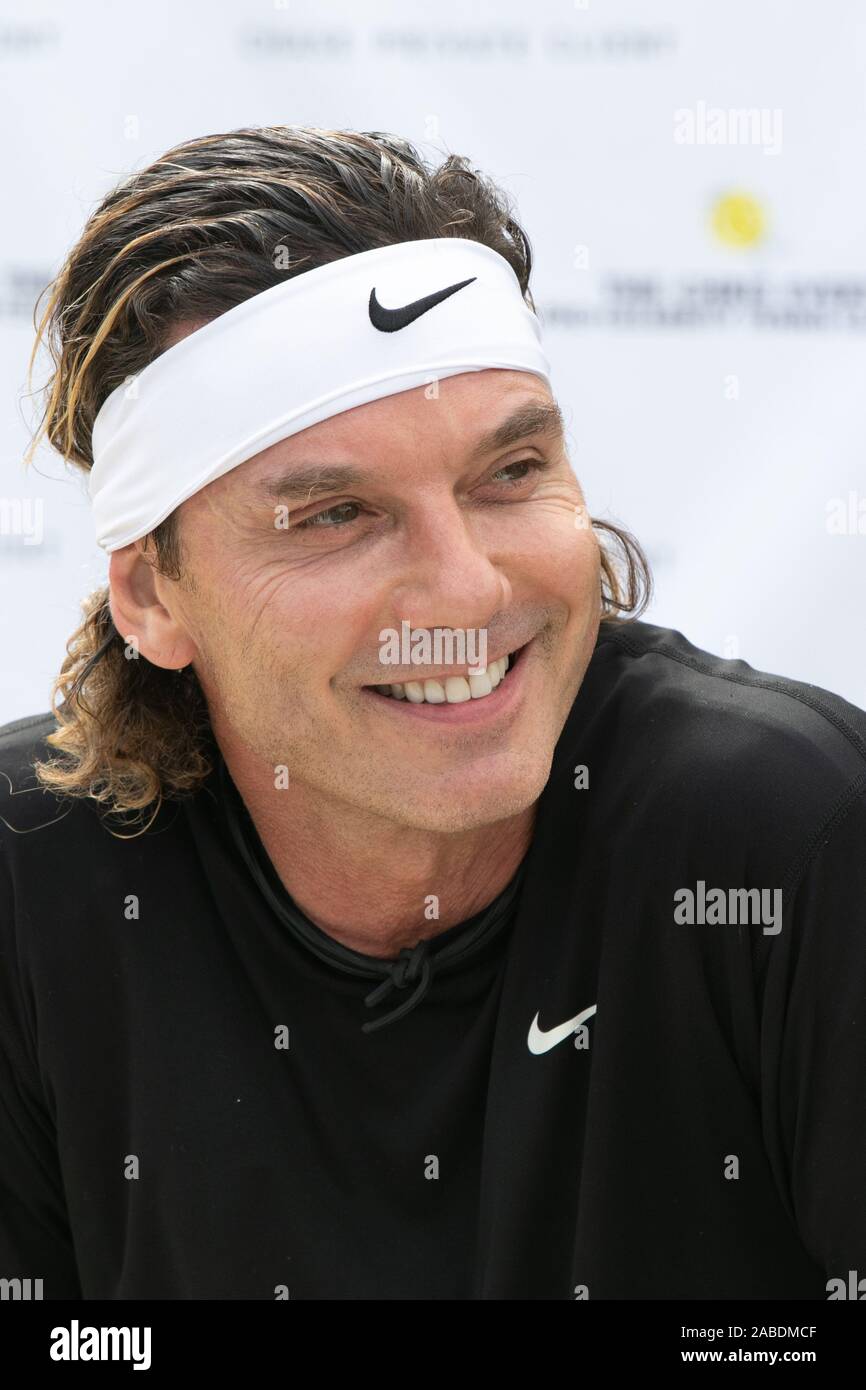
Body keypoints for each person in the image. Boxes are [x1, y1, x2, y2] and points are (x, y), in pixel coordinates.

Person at [1, 125, 864, 1302]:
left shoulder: (793, 839)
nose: (466, 590)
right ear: (153, 593)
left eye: (507, 475)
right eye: (335, 515)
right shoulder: (29, 873)